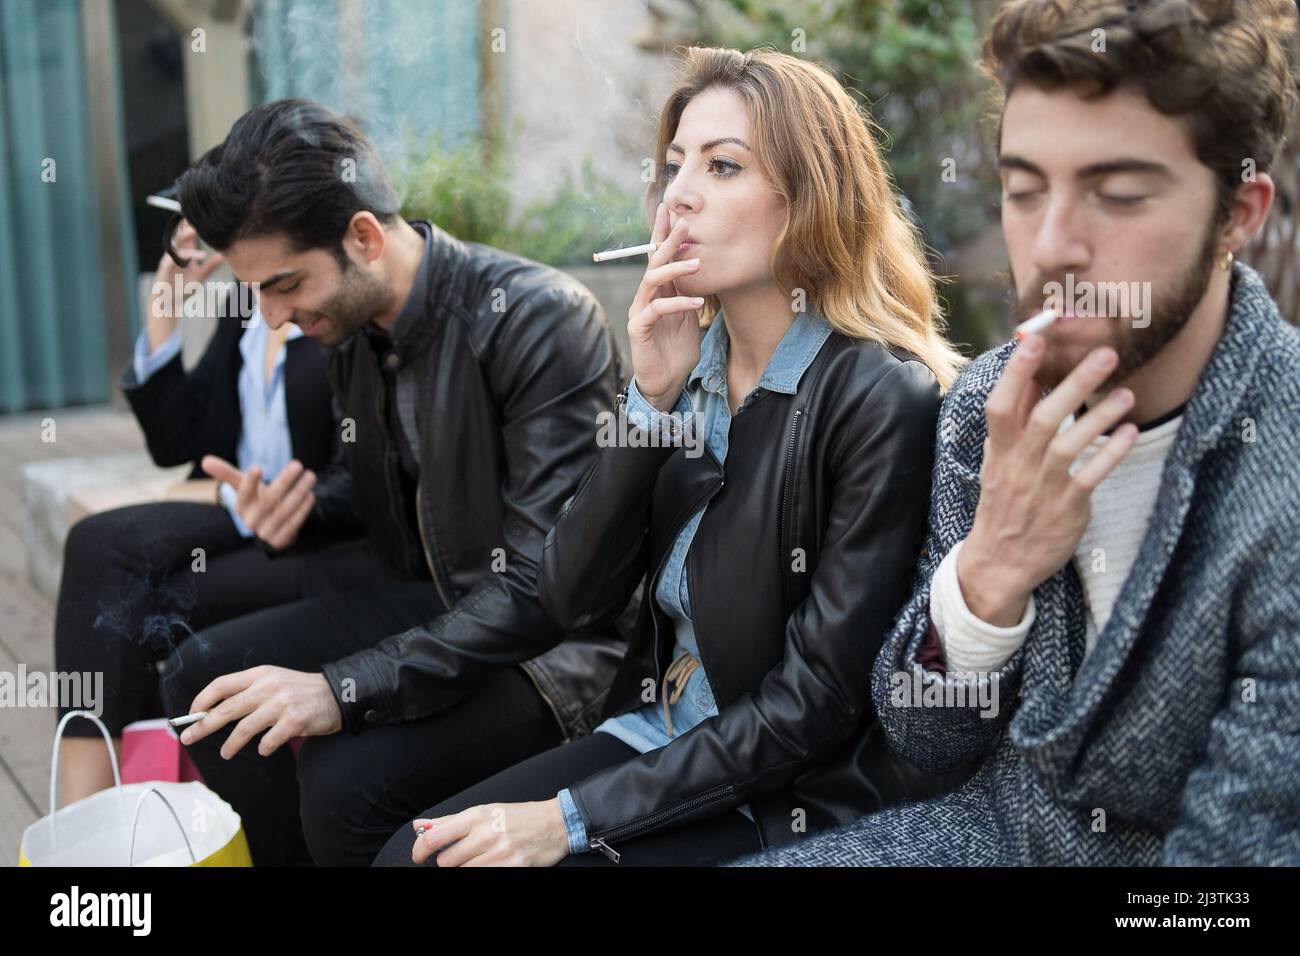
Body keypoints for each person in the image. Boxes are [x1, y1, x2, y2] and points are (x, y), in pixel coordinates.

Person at [373, 46, 969, 868]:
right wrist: (649, 404)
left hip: (787, 790)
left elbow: (814, 704)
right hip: (657, 731)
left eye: (724, 167)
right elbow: (571, 593)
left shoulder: (875, 395)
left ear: (811, 198)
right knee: (413, 854)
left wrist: (568, 819)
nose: (678, 193)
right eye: (673, 165)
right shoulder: (688, 361)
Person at [739, 0, 1300, 867]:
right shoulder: (992, 401)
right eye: (1024, 189)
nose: (1052, 245)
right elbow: (926, 743)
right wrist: (990, 573)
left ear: (1239, 211)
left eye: (1116, 195)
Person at [159, 100, 629, 866]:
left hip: (556, 649)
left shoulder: (538, 318)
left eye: (284, 284)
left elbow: (546, 588)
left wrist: (340, 689)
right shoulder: (352, 324)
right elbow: (384, 492)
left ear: (365, 238)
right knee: (202, 682)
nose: (274, 316)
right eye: (258, 294)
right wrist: (303, 511)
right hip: (446, 600)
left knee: (348, 780)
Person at [54, 217, 379, 806]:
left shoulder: (337, 306)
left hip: (312, 534)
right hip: (236, 515)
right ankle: (90, 819)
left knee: (121, 575)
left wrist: (220, 495)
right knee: (99, 548)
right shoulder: (244, 305)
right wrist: (165, 310)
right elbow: (178, 443)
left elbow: (354, 480)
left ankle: (89, 816)